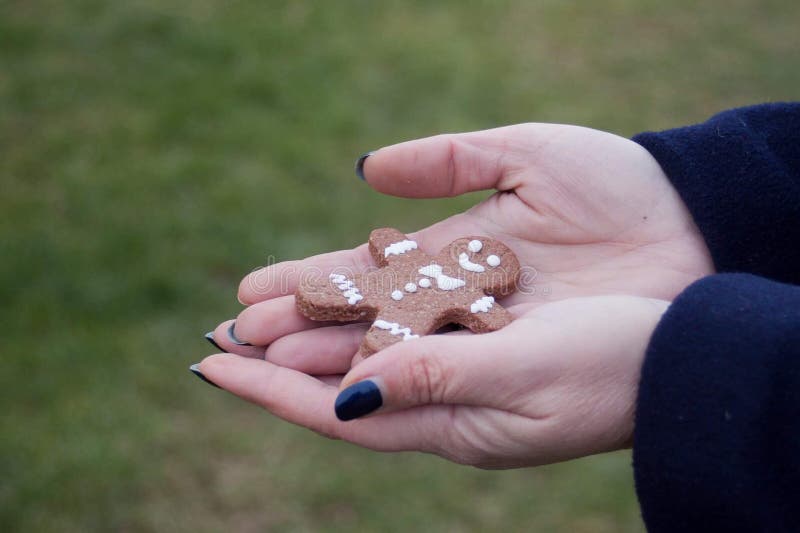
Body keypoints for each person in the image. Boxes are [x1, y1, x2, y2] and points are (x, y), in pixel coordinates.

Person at [191, 103, 800, 532]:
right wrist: (710, 190)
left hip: (397, 313)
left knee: (379, 331)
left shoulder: (472, 300)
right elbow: (392, 244)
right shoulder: (414, 262)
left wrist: (690, 359)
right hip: (379, 290)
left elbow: (482, 312)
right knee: (335, 295)